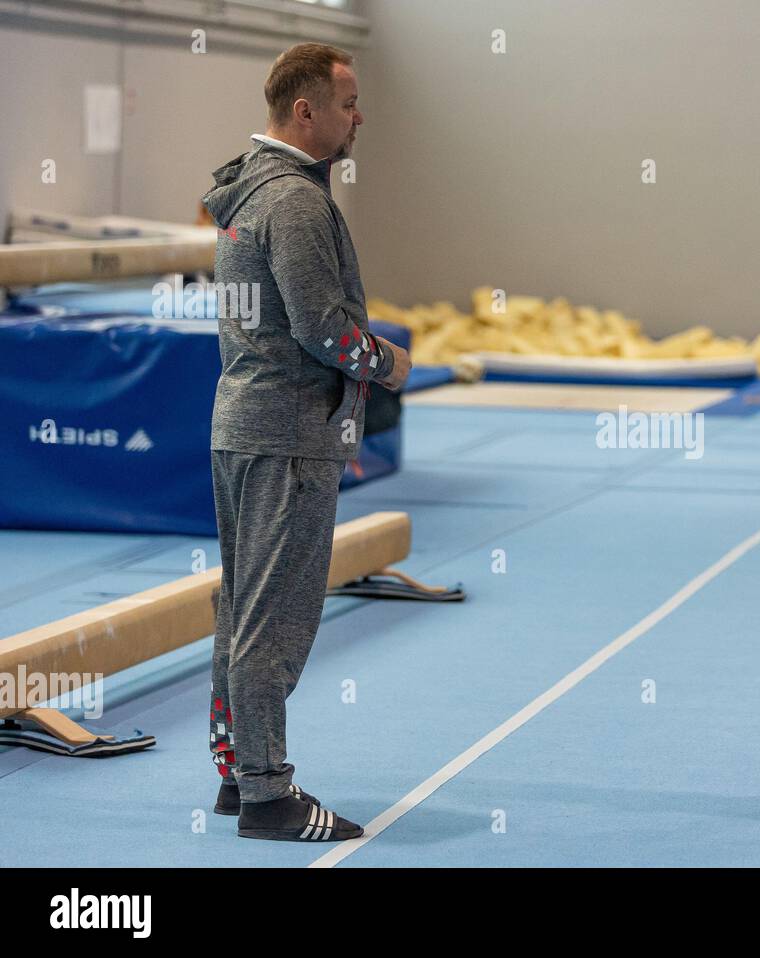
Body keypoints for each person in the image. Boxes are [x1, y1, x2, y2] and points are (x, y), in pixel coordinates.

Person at [201, 42, 412, 842]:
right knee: (275, 619)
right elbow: (322, 327)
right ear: (306, 110)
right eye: (350, 103)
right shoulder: (292, 200)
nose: (359, 118)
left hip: (246, 424)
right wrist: (388, 363)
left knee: (242, 612)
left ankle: (236, 771)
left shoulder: (246, 189)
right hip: (285, 432)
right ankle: (265, 793)